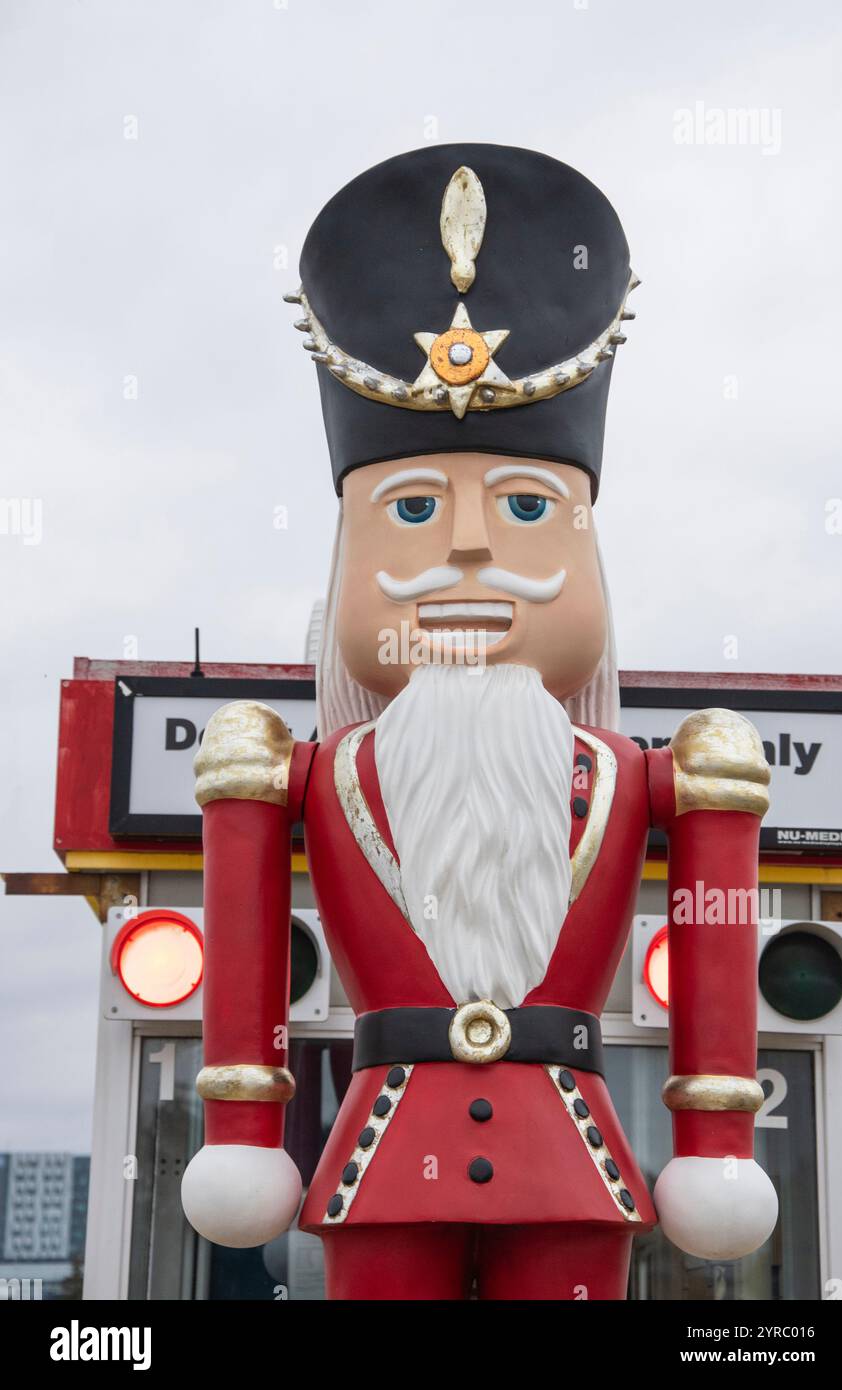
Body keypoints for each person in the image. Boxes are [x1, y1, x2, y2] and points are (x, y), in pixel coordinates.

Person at [181, 144, 778, 1300]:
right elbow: (242, 950)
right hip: (384, 1155)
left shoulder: (662, 771)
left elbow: (720, 943)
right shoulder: (288, 769)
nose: (465, 548)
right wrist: (243, 1129)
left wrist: (717, 1148)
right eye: (410, 506)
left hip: (568, 1155)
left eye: (522, 507)